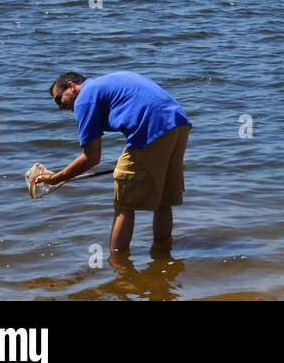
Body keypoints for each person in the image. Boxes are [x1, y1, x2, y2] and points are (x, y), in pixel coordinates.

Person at [41, 71, 191, 254]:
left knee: (124, 203)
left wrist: (59, 177)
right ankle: (162, 252)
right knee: (162, 200)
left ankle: (118, 264)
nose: (60, 108)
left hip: (153, 126)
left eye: (58, 100)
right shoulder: (103, 85)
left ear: (71, 86)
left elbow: (92, 157)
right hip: (178, 121)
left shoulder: (84, 99)